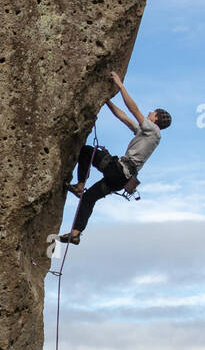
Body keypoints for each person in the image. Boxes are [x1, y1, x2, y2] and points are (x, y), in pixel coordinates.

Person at [59, 71, 172, 245]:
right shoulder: (147, 133)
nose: (149, 112)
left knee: (87, 151)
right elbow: (124, 117)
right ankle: (75, 233)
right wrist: (106, 101)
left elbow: (134, 110)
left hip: (118, 171)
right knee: (90, 198)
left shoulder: (154, 131)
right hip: (120, 179)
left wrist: (120, 86)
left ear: (156, 119)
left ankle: (80, 184)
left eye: (153, 112)